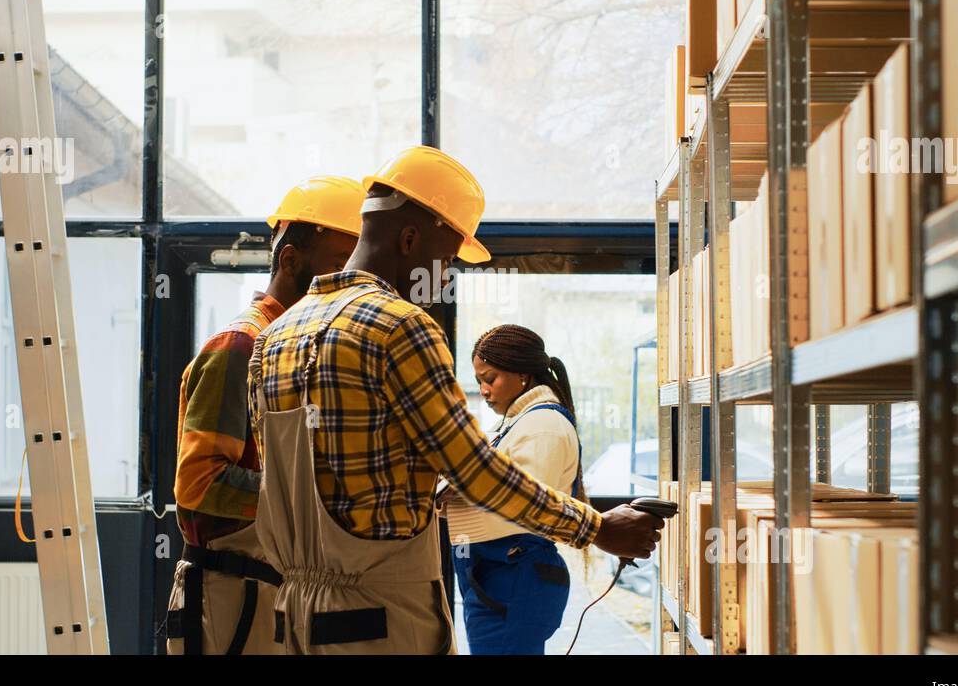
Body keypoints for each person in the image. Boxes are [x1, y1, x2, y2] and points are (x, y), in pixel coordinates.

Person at [246, 146, 662, 655]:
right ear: (410, 238)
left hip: (292, 617)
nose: (443, 276)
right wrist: (597, 527)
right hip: (380, 615)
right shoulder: (399, 326)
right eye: (444, 260)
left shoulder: (274, 336)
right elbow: (476, 472)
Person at [164, 176, 364, 655]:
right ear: (290, 260)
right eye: (336, 267)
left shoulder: (289, 351)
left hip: (269, 589)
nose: (343, 286)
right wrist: (310, 494)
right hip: (230, 594)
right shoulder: (240, 347)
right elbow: (199, 483)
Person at [444, 324, 584, 654]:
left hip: (513, 578)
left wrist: (462, 490)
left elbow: (528, 507)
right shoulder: (518, 422)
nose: (484, 390)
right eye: (479, 380)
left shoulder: (542, 427)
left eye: (490, 378)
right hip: (498, 578)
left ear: (522, 374)